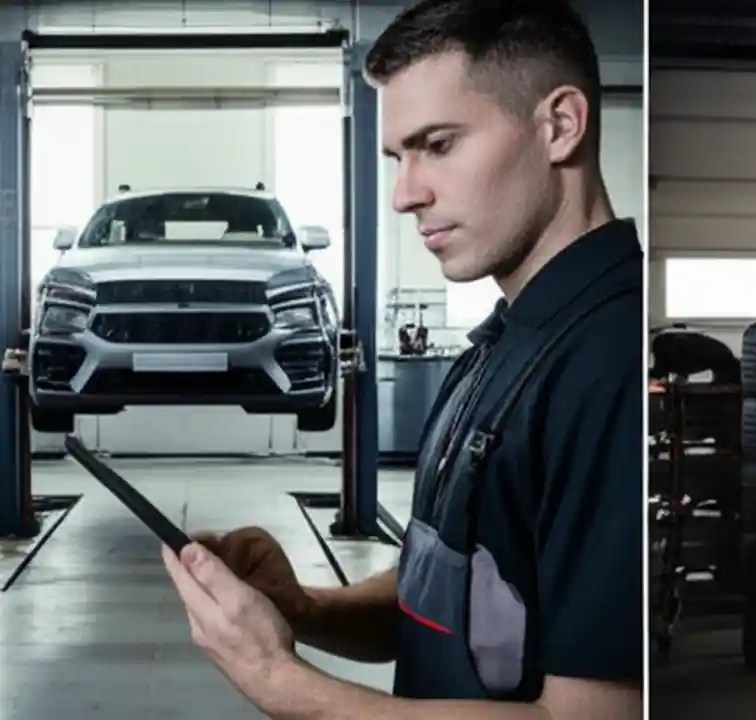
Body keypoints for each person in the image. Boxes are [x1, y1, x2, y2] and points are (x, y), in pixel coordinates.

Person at [159, 1, 645, 718]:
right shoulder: (504, 343)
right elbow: (456, 588)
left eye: (439, 145)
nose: (404, 194)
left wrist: (283, 683)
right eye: (399, 157)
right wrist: (305, 608)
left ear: (560, 125)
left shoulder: (612, 367)